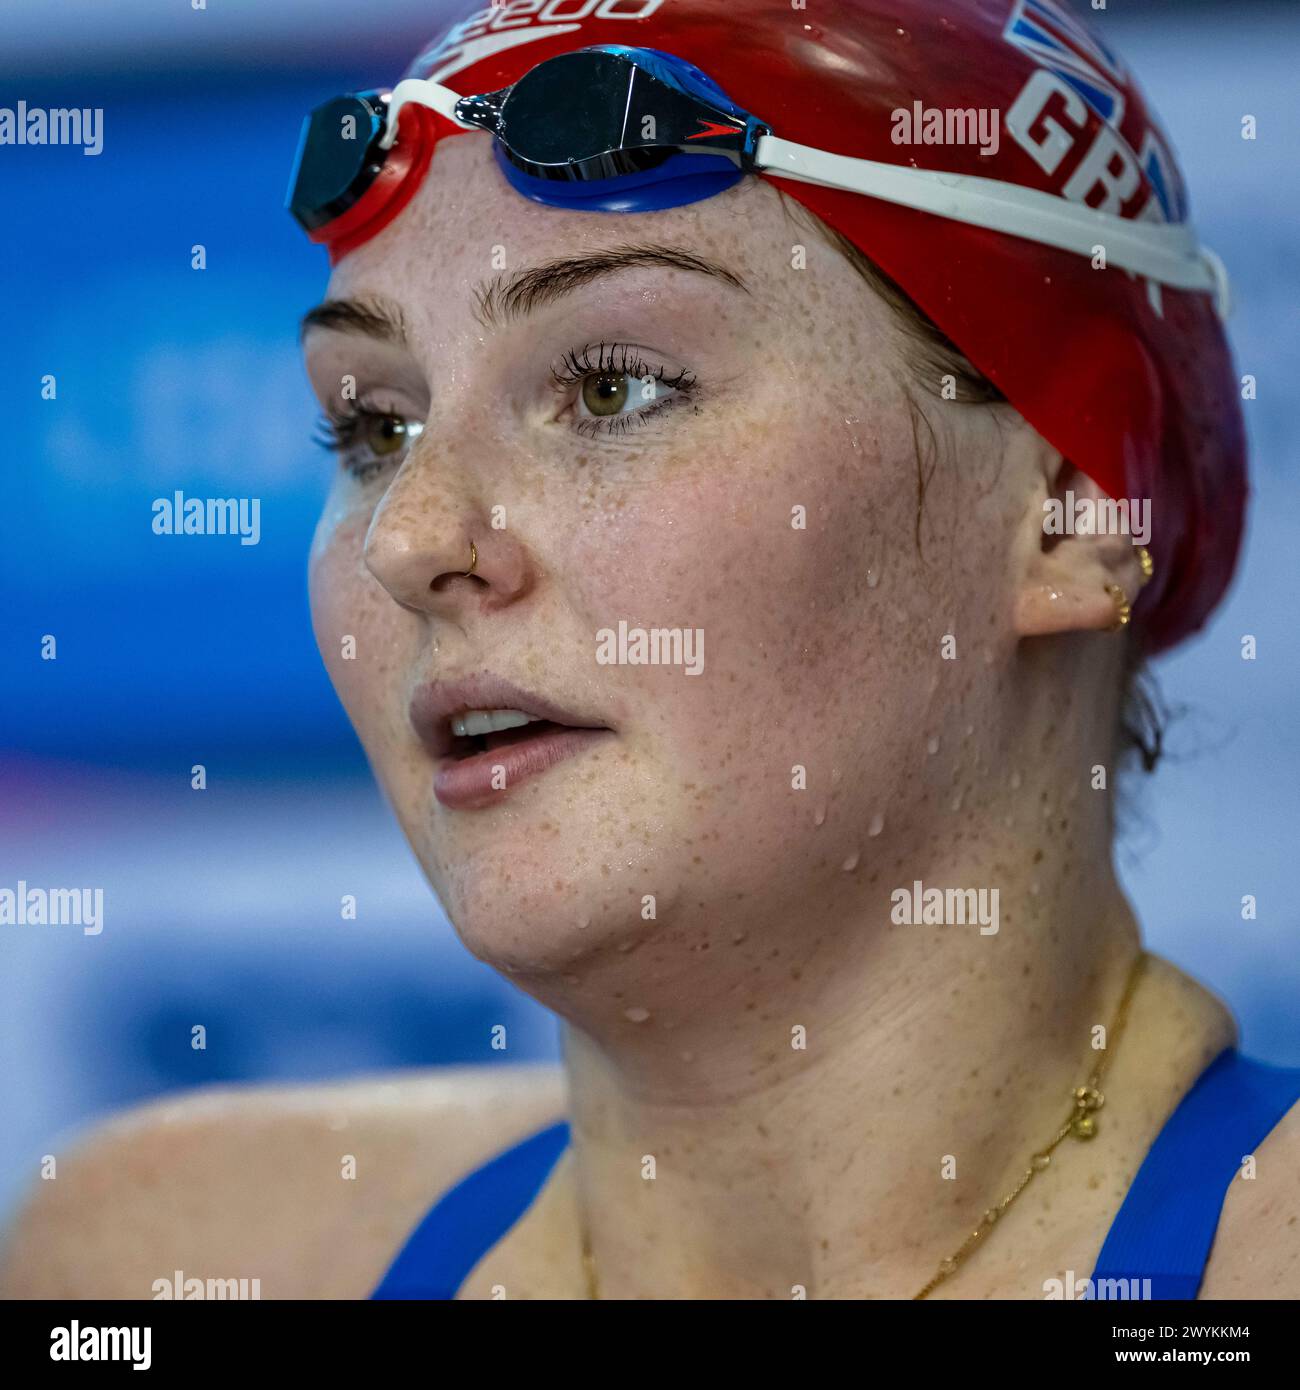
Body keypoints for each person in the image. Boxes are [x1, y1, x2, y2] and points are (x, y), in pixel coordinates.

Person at [3, 0, 1295, 1300]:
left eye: (613, 385)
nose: (412, 537)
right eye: (374, 428)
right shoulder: (166, 1258)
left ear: (1071, 513)